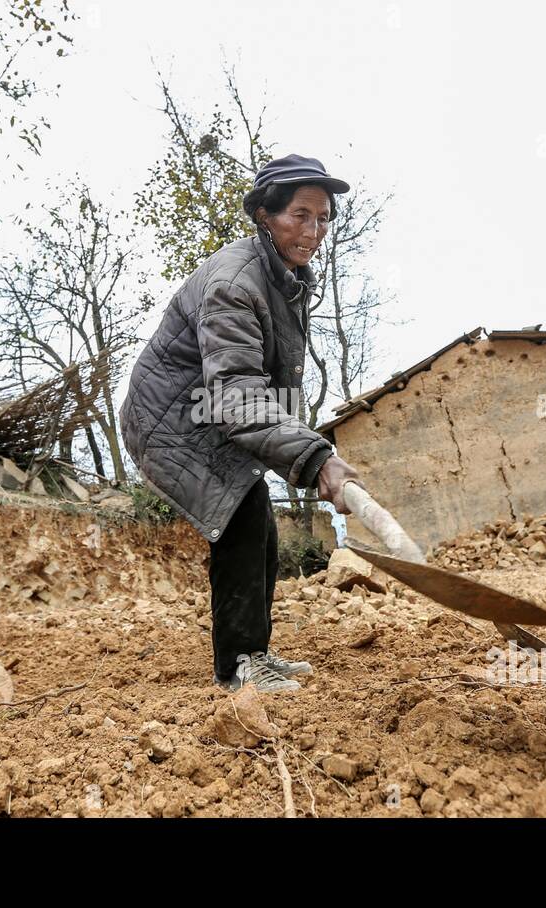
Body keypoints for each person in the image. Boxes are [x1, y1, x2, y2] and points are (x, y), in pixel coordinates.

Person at [121, 154, 362, 693]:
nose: (313, 231)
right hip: (175, 420)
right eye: (299, 215)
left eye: (323, 218)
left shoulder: (286, 277)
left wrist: (300, 450)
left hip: (210, 411)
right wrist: (315, 457)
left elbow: (262, 382)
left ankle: (253, 654)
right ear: (262, 214)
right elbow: (234, 394)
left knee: (262, 535)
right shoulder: (235, 281)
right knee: (242, 522)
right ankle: (238, 670)